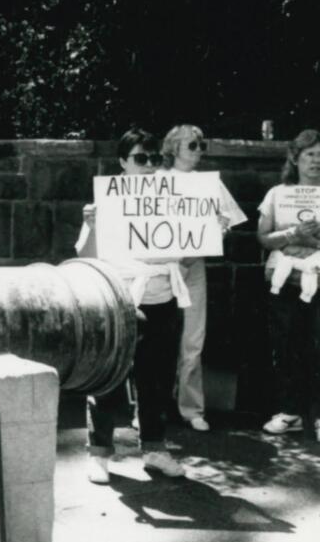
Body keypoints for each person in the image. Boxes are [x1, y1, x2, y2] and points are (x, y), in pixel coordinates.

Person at [78, 129, 189, 482]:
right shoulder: (107, 200)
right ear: (123, 161)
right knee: (109, 377)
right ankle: (99, 453)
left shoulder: (173, 196)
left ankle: (155, 449)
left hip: (163, 298)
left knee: (157, 378)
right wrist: (91, 225)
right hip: (120, 299)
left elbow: (187, 249)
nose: (149, 165)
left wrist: (210, 229)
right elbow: (83, 255)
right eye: (141, 158)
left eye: (155, 158)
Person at [160, 125, 247, 432]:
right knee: (157, 339)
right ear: (173, 147)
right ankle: (150, 405)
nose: (198, 151)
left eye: (201, 145)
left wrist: (219, 229)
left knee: (192, 340)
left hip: (193, 265)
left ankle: (191, 408)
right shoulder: (156, 180)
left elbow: (228, 220)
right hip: (161, 266)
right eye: (192, 145)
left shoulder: (209, 183)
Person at [258, 129, 320, 440]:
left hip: (318, 278)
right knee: (284, 346)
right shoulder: (276, 194)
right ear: (295, 158)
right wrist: (293, 234)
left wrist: (315, 239)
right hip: (283, 279)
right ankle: (290, 411)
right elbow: (264, 237)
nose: (316, 161)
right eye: (310, 154)